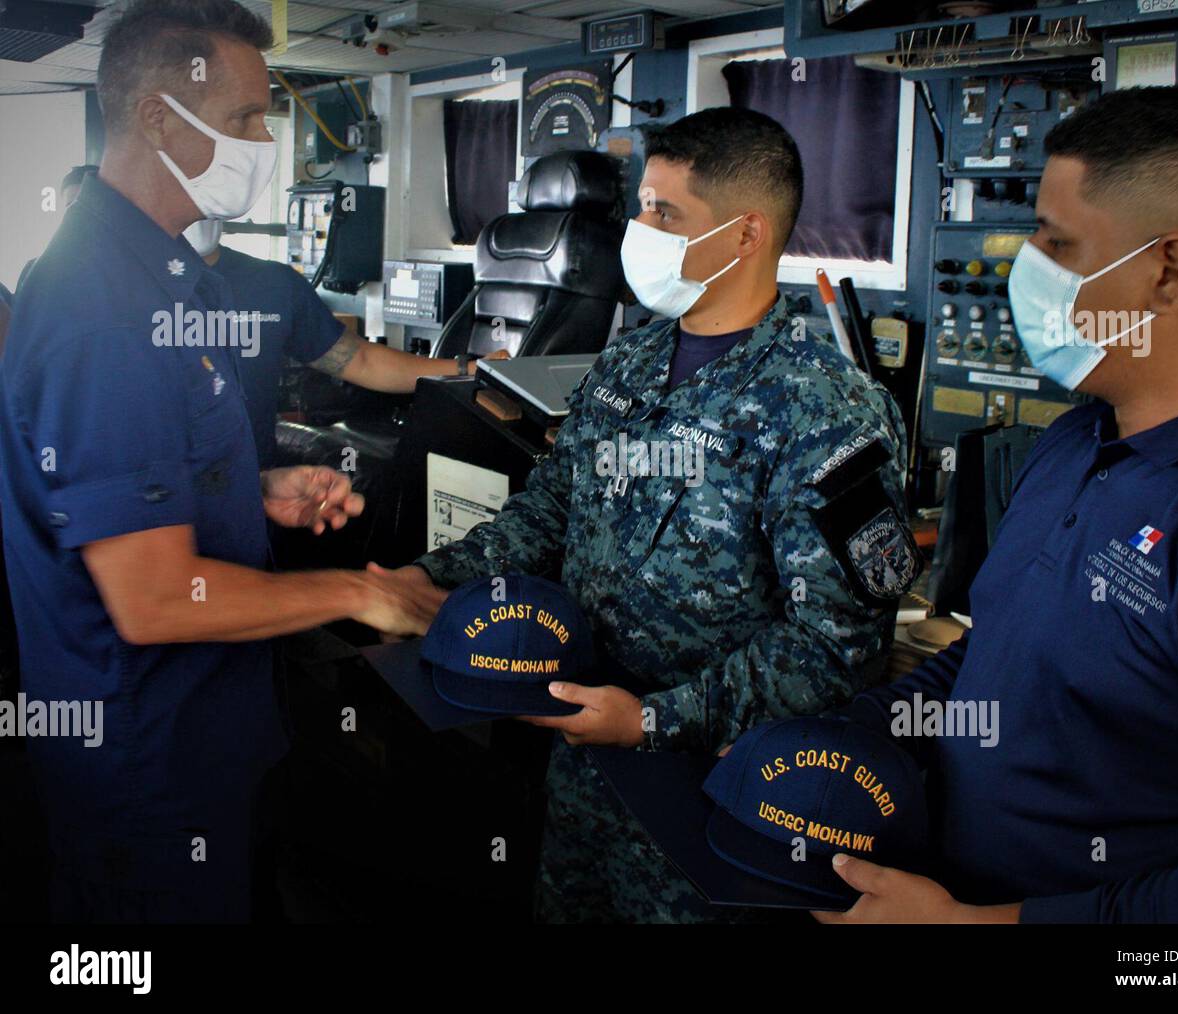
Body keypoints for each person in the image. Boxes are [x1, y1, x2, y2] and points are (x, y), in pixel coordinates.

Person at [366, 107, 923, 922]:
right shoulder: (629, 357)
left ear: (745, 235)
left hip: (715, 786)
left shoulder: (826, 407)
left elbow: (833, 647)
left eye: (665, 214)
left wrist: (654, 721)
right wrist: (428, 577)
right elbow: (550, 509)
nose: (639, 230)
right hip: (584, 748)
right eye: (642, 207)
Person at [0, 0, 439, 923]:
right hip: (150, 761)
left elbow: (133, 471)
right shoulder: (101, 311)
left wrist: (250, 487)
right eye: (244, 118)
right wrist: (360, 594)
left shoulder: (163, 275)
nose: (262, 141)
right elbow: (154, 600)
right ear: (162, 116)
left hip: (208, 731)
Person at [816, 87, 1178, 924]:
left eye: (1058, 240)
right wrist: (851, 732)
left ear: (1169, 271)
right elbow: (991, 660)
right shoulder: (1073, 443)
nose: (1024, 265)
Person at [182, 219, 507, 468]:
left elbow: (360, 360)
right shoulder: (131, 284)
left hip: (246, 498)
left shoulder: (272, 284)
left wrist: (469, 368)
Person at [15, 165, 98, 296]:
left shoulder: (125, 269)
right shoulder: (35, 272)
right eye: (70, 207)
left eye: (85, 206)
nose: (76, 215)